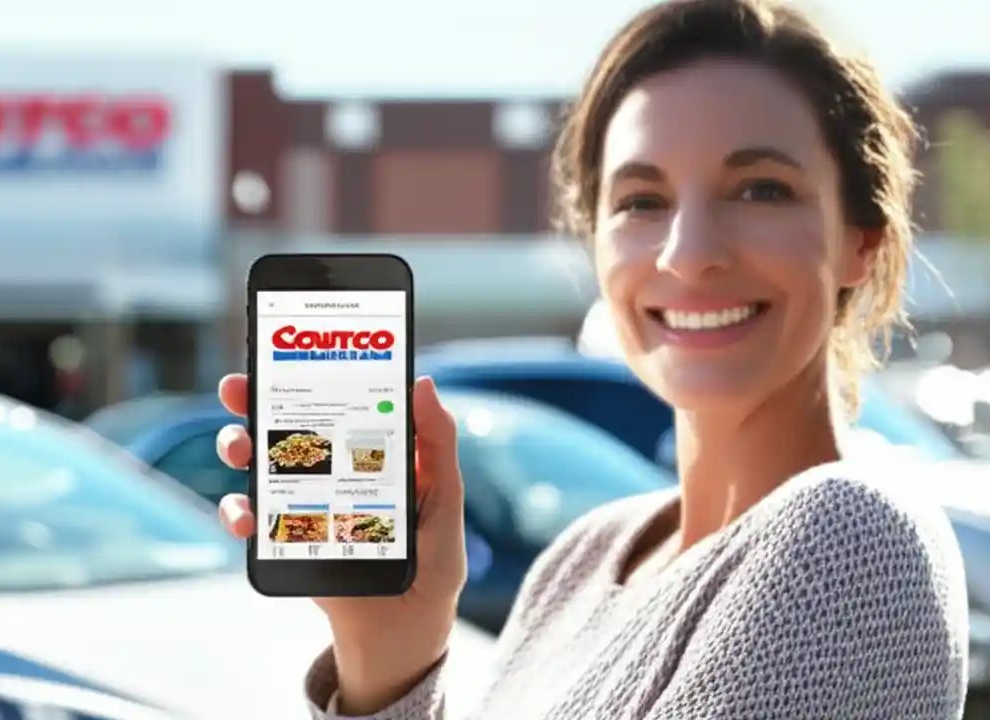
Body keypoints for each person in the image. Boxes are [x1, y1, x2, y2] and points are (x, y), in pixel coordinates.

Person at [214, 0, 970, 716]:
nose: (690, 253)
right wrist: (386, 659)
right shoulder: (580, 558)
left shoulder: (852, 538)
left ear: (859, 243)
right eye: (642, 201)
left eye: (760, 190)